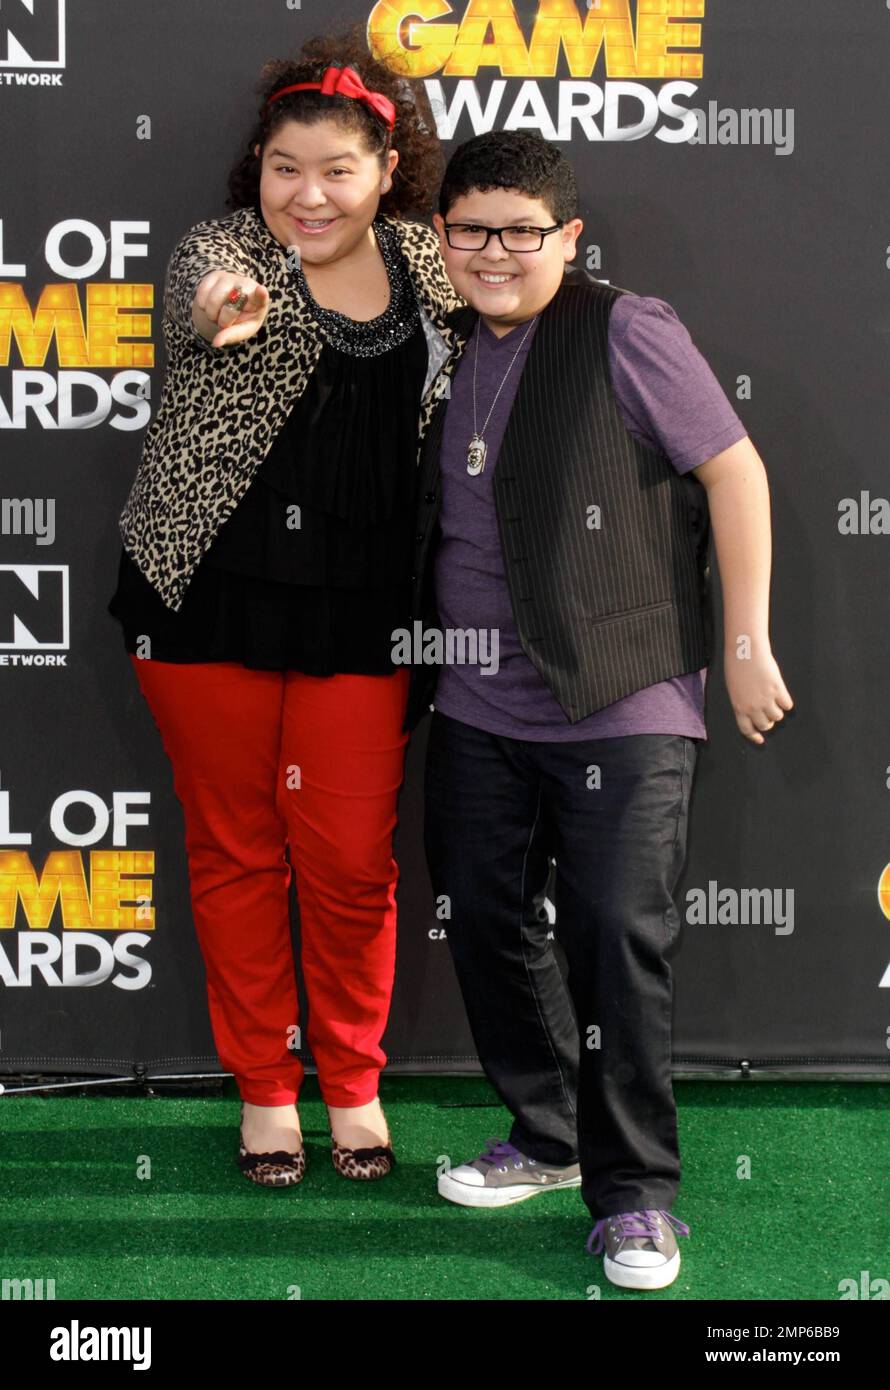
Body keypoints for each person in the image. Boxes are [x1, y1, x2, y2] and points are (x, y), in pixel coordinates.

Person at [405, 131, 794, 1287]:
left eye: (520, 231)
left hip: (623, 698)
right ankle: (545, 1134)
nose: (493, 252)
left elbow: (733, 469)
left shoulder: (627, 329)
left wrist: (742, 642)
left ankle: (633, 1197)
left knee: (616, 942)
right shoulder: (441, 347)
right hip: (477, 702)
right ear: (441, 238)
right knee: (482, 918)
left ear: (565, 240)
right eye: (469, 229)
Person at [107, 31, 463, 1187]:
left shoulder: (429, 261)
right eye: (284, 167)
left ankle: (351, 1082)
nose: (307, 195)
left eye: (337, 170)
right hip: (205, 596)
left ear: (386, 169)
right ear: (257, 169)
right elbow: (200, 302)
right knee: (235, 850)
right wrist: (228, 308)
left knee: (352, 860)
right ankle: (265, 1087)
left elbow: (519, 303)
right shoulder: (221, 246)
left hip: (367, 611)